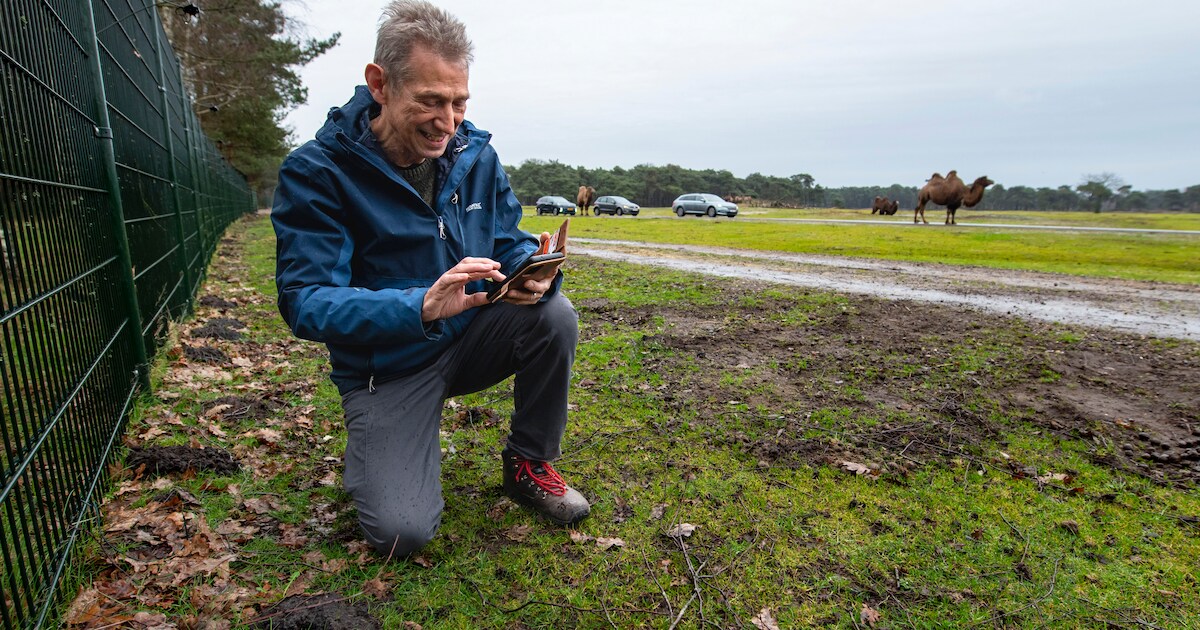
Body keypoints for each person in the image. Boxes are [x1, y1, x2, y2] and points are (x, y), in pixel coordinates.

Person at [271, 0, 589, 557]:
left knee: (553, 316)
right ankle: (391, 448)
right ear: (379, 84)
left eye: (459, 101)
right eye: (430, 102)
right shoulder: (317, 172)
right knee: (402, 534)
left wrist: (527, 270)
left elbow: (505, 235)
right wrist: (419, 305)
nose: (448, 122)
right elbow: (306, 301)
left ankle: (529, 463)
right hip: (388, 369)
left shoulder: (475, 155)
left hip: (471, 339)